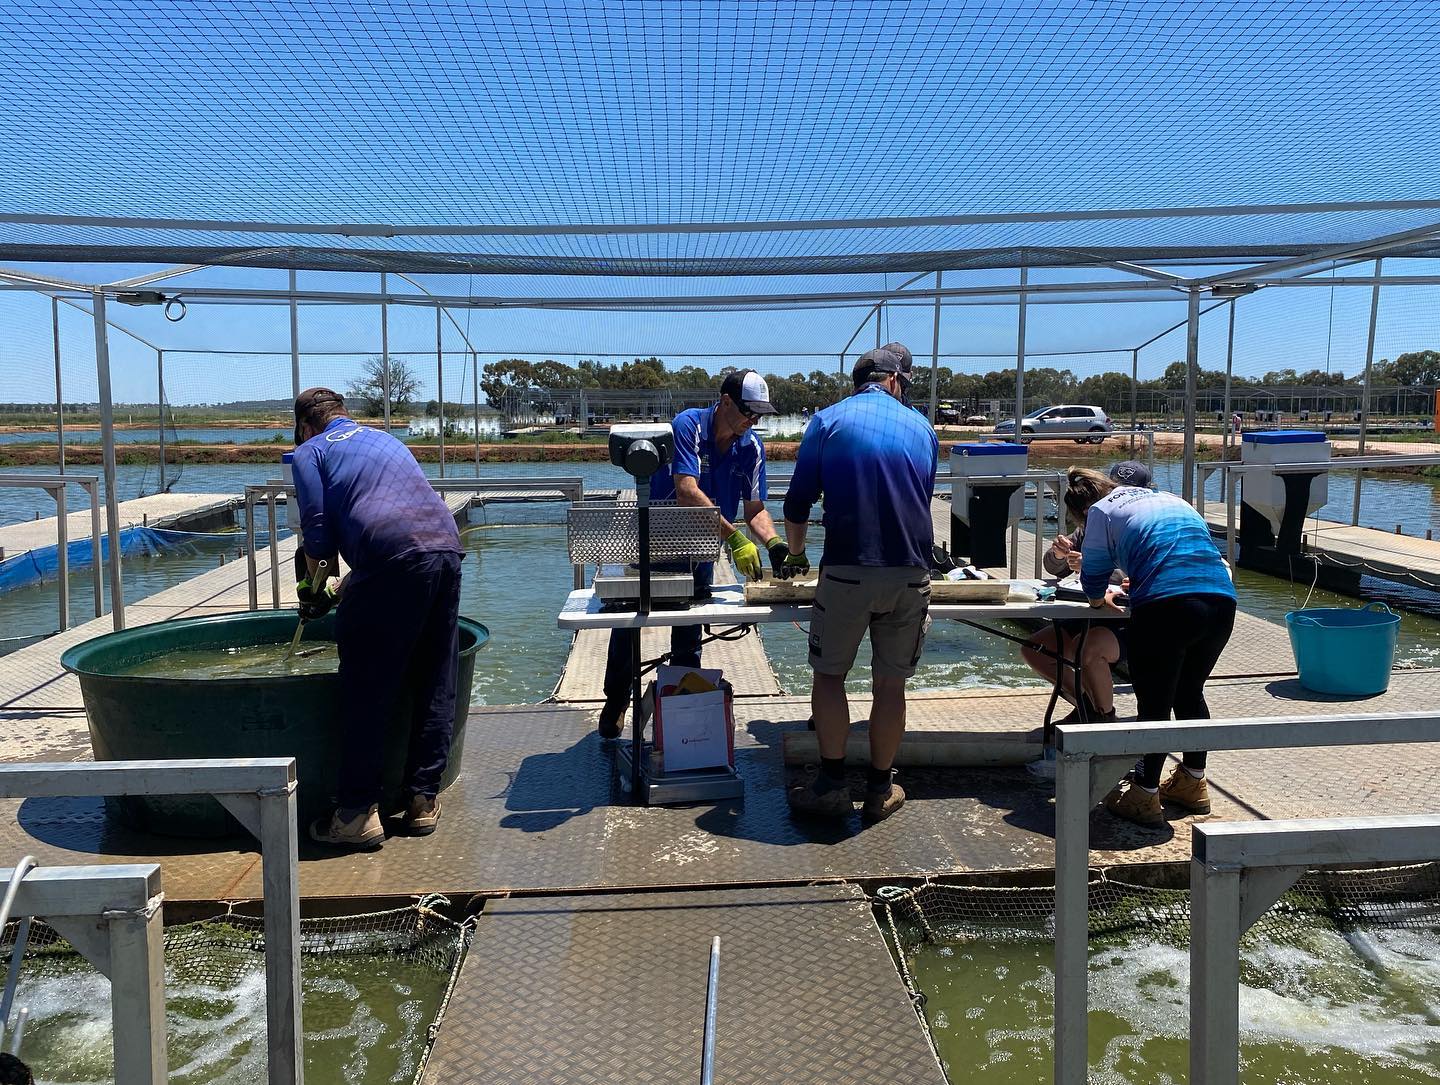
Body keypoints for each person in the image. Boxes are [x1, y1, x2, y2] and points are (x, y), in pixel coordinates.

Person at [290, 388, 465, 849]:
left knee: (367, 686)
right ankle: (422, 800)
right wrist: (348, 583)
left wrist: (315, 589)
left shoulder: (311, 451)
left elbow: (318, 532)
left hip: (393, 557)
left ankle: (354, 815)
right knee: (434, 676)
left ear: (305, 426)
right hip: (445, 549)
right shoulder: (385, 440)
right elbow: (393, 537)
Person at [782, 345, 939, 823]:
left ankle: (830, 783)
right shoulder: (924, 428)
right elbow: (922, 496)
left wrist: (794, 555)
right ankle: (879, 788)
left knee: (831, 676)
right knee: (890, 686)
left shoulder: (828, 421)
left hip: (848, 569)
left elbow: (796, 503)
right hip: (912, 572)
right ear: (895, 379)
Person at [596, 370, 788, 737]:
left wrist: (773, 543)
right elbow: (686, 490)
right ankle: (617, 697)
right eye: (750, 412)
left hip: (700, 551)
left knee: (688, 632)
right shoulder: (689, 426)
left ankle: (677, 707)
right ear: (726, 401)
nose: (754, 421)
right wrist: (735, 540)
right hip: (655, 541)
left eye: (760, 415)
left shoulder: (752, 447)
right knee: (629, 624)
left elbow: (755, 510)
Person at [1064, 466, 1237, 828]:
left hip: (1167, 605)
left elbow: (1093, 576)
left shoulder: (1102, 511)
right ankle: (1192, 783)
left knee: (1154, 704)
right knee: (1190, 692)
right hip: (1220, 600)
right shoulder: (1170, 498)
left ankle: (1144, 794)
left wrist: (1100, 601)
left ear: (1084, 506)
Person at [1019, 460, 1153, 723]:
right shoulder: (1092, 521)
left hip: (1123, 617)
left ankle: (1104, 718)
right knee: (1035, 648)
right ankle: (1087, 705)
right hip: (1088, 611)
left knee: (1088, 648)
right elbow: (1053, 567)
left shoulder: (1138, 523)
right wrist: (1059, 554)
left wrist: (1095, 567)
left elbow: (1133, 574)